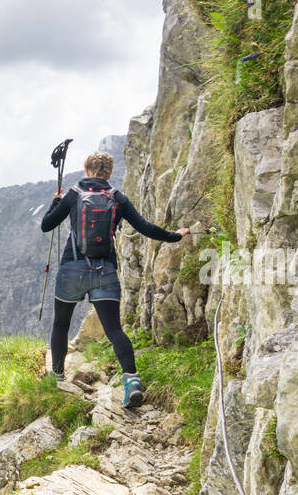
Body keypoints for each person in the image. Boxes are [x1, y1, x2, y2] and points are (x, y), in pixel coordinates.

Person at [39, 151, 190, 408]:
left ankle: (57, 376)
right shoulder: (117, 198)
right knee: (114, 330)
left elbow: (47, 225)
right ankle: (132, 382)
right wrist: (175, 235)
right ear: (109, 173)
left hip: (72, 269)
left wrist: (56, 203)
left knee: (61, 324)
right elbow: (146, 228)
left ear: (87, 170)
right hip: (104, 271)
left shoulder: (74, 194)